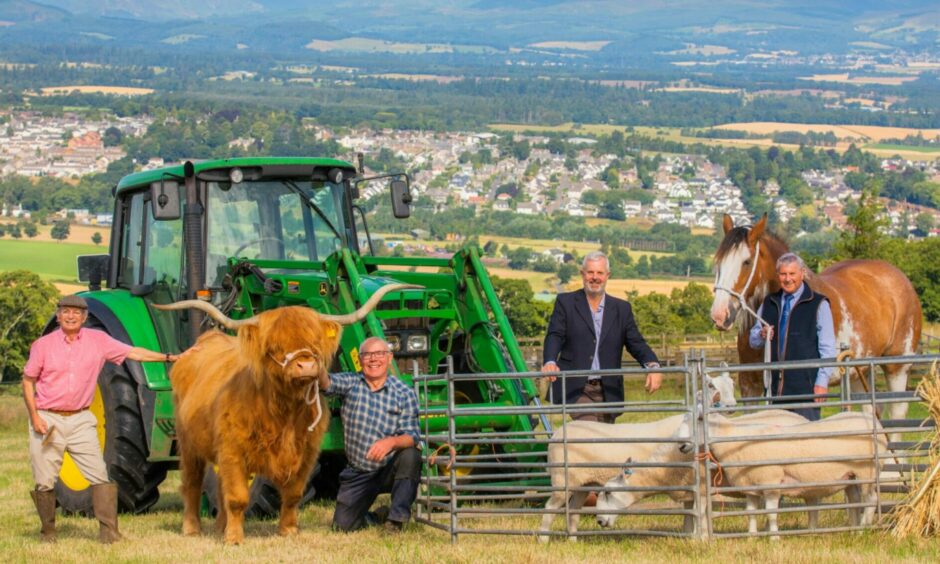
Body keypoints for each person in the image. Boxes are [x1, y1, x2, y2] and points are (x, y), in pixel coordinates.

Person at [23, 294, 189, 544]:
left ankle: (109, 532)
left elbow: (134, 353)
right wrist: (34, 416)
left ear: (84, 317)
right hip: (48, 419)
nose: (71, 316)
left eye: (76, 313)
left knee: (99, 474)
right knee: (45, 479)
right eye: (66, 312)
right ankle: (48, 533)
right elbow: (28, 380)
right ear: (58, 316)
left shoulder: (97, 340)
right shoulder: (43, 345)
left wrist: (168, 358)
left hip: (80, 419)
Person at [541, 251, 663, 423]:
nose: (595, 278)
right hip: (577, 388)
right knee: (590, 431)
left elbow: (636, 343)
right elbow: (555, 334)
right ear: (582, 274)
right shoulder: (566, 302)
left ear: (607, 276)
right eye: (590, 272)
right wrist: (550, 361)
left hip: (608, 389)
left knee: (605, 440)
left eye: (599, 273)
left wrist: (653, 365)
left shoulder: (622, 309)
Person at [324, 336, 422, 533]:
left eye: (379, 354)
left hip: (388, 468)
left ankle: (395, 521)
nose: (373, 359)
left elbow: (412, 436)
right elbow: (326, 383)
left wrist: (391, 442)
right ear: (360, 360)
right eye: (367, 355)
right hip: (359, 471)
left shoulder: (404, 392)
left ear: (389, 358)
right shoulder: (351, 382)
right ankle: (376, 516)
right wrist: (314, 363)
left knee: (411, 455)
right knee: (342, 527)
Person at [749, 252, 837, 421]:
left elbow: (828, 347)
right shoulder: (769, 302)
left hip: (806, 389)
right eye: (783, 274)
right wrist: (762, 334)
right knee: (779, 441)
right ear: (778, 275)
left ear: (802, 273)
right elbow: (753, 340)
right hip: (775, 390)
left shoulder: (818, 304)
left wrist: (822, 382)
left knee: (805, 440)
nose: (788, 279)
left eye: (792, 274)